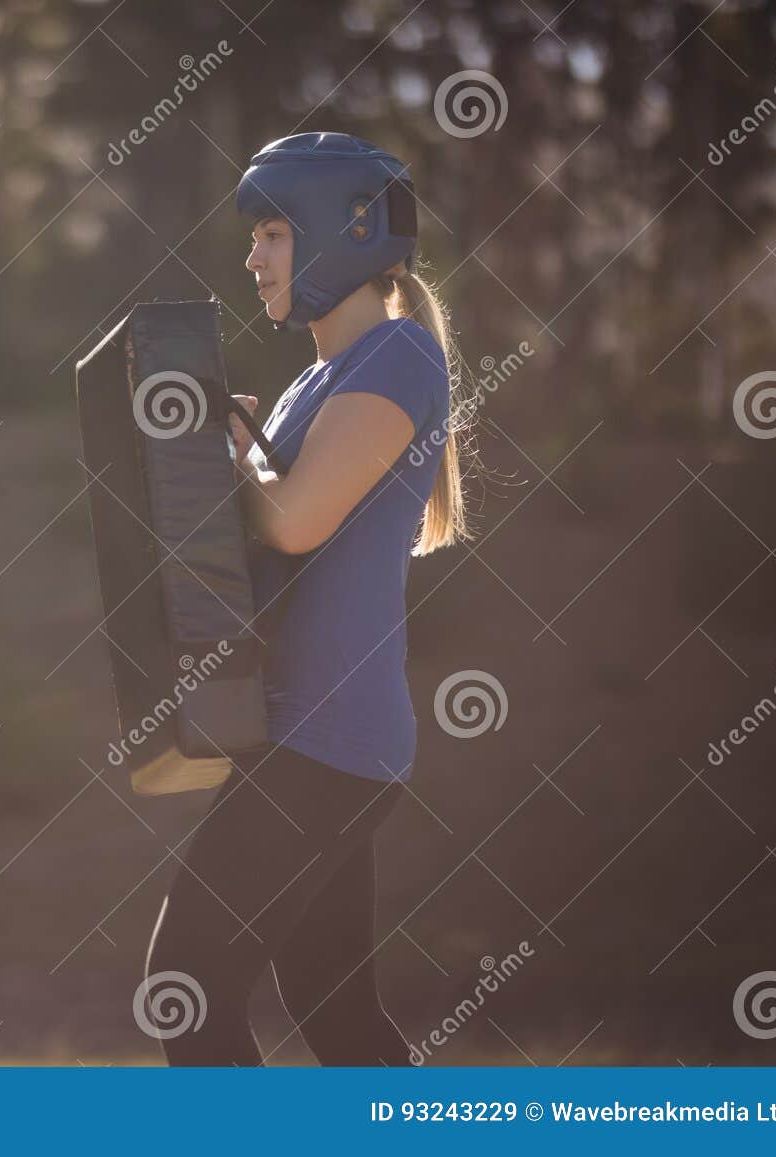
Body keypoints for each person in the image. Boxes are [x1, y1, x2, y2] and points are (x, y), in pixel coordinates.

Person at [144, 132, 474, 1066]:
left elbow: (291, 521)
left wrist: (214, 446)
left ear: (346, 232)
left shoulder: (401, 355)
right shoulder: (311, 382)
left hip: (326, 742)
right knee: (339, 1015)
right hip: (301, 735)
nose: (252, 257)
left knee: (186, 990)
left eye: (275, 232)